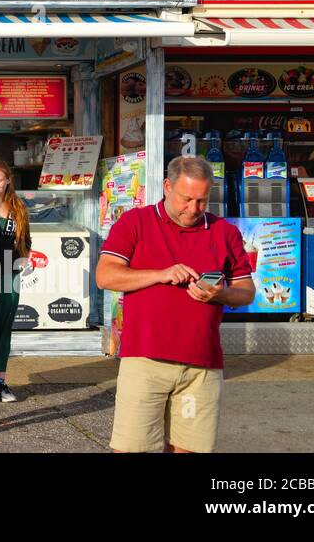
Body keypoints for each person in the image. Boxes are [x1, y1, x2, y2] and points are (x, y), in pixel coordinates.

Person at [97, 155, 255, 453]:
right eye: (186, 199)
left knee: (190, 449)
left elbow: (246, 291)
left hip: (201, 364)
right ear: (167, 186)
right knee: (132, 449)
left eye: (202, 201)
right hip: (145, 359)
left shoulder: (225, 232)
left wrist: (218, 295)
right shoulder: (135, 222)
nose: (193, 209)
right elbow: (105, 276)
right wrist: (161, 274)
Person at [0, 160, 31, 403]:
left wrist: (23, 259)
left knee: (3, 327)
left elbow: (27, 240)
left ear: (8, 180)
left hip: (9, 273)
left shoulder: (18, 207)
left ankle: (0, 383)